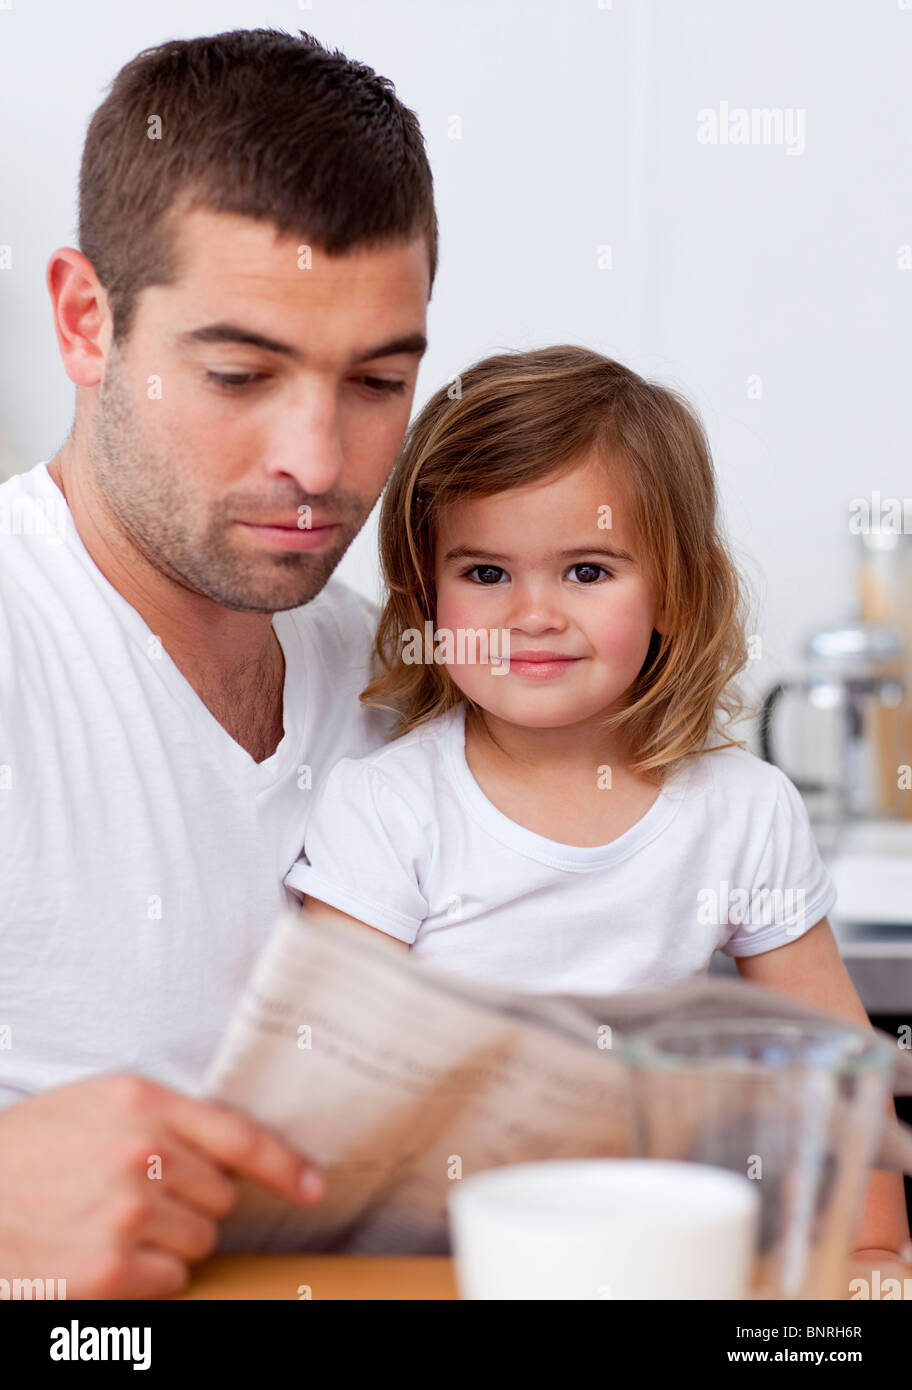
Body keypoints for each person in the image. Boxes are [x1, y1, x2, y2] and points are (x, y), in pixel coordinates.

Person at [286, 344, 911, 1262]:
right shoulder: (386, 808)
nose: (533, 616)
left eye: (586, 570)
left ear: (675, 590)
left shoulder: (743, 810)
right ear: (427, 594)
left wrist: (874, 1260)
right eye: (487, 573)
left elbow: (833, 1070)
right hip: (440, 1254)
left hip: (658, 1251)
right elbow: (325, 1082)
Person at [0, 28, 436, 1297]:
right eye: (242, 372)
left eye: (376, 380)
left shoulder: (405, 684)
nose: (318, 459)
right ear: (87, 321)